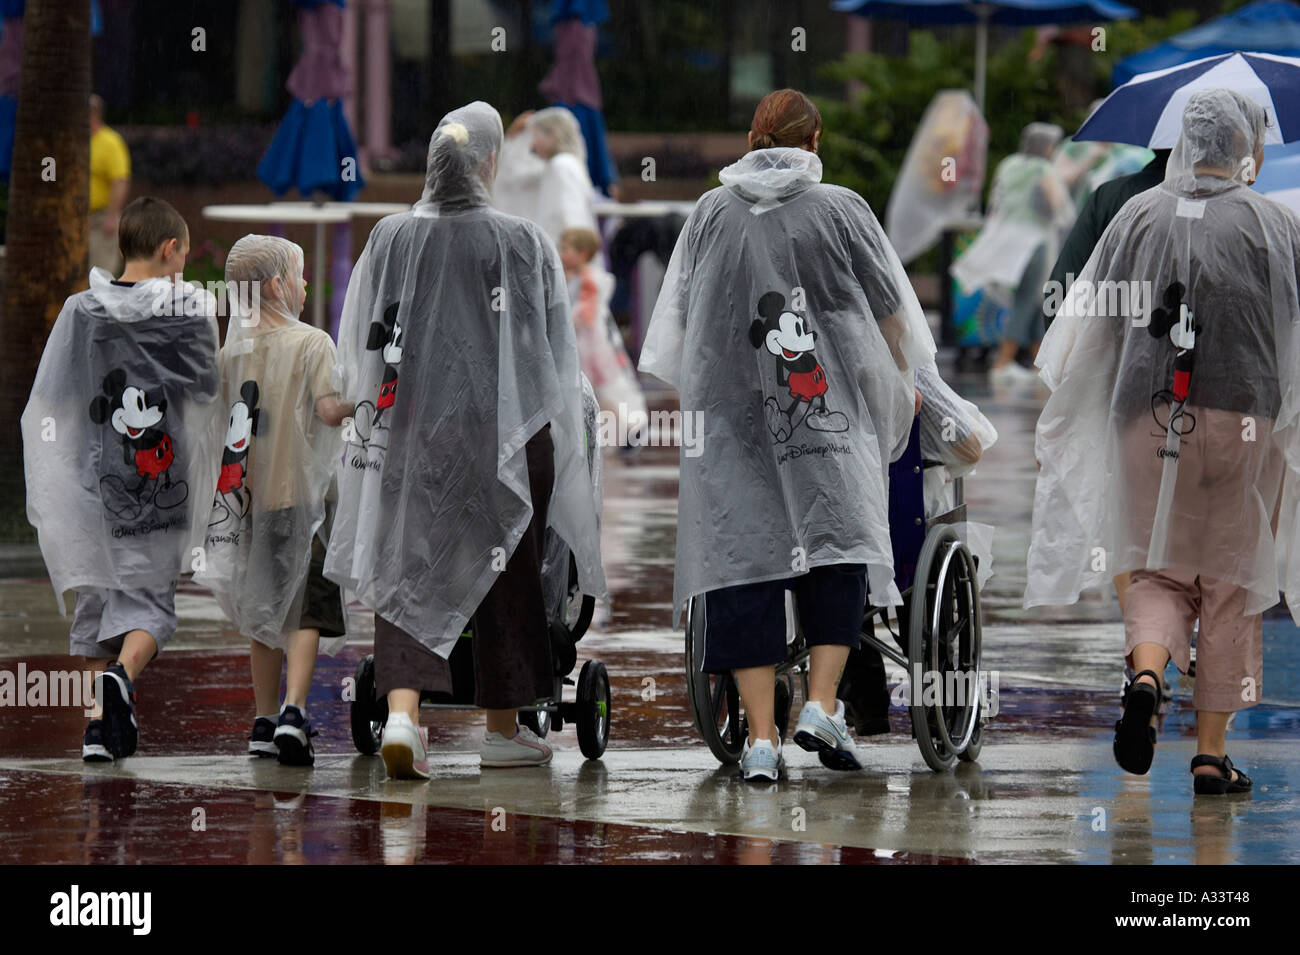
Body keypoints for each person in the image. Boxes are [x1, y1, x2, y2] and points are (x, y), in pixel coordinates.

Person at [639, 88, 934, 781]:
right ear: (816, 140)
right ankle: (823, 702)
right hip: (823, 413)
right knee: (838, 542)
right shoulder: (843, 211)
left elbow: (675, 329)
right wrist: (906, 379)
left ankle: (762, 739)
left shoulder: (710, 213)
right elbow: (895, 319)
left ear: (750, 138)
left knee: (741, 558)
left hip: (731, 420)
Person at [1026, 89, 1300, 795]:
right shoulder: (1275, 225)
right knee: (1232, 579)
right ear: (1243, 149)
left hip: (1145, 421)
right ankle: (1211, 755)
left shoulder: (1135, 216)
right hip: (1247, 426)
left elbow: (1087, 327)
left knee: (1155, 570)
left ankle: (1147, 676)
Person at [326, 102, 605, 780]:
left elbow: (368, 334)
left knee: (406, 565)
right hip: (502, 436)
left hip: (412, 434)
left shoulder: (390, 238)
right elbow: (549, 350)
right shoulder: (522, 240)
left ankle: (401, 713)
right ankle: (503, 728)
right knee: (506, 562)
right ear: (487, 162)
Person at [22, 196, 223, 761]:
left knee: (95, 608)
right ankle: (121, 678)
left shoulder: (80, 311)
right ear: (169, 249)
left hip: (90, 482)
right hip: (156, 485)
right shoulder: (189, 309)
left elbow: (54, 396)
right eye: (182, 253)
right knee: (150, 607)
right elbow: (207, 386)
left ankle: (95, 731)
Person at [196, 234, 352, 766]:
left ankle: (262, 721)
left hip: (247, 504)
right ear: (277, 284)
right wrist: (367, 400)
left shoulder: (230, 351)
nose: (307, 284)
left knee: (261, 610)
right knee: (304, 610)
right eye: (300, 275)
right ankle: (294, 710)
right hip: (302, 501)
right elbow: (330, 412)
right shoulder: (313, 344)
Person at [951, 122, 1073, 385]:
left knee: (1031, 301)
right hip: (1034, 242)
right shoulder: (1043, 169)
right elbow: (1057, 204)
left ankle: (1039, 362)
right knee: (1027, 300)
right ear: (1045, 146)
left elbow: (998, 201)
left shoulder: (1009, 164)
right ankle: (1003, 363)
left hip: (1008, 241)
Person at [559, 226, 647, 446]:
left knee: (598, 391)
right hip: (589, 344)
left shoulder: (589, 279)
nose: (561, 253)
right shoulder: (580, 277)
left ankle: (629, 427)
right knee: (597, 393)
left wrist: (563, 323)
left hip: (589, 347)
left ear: (582, 253)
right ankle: (625, 429)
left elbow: (585, 314)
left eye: (566, 249)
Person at [493, 106, 597, 247]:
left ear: (552, 134)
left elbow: (571, 215)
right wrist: (512, 138)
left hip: (567, 253)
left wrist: (571, 253)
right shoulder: (559, 165)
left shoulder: (561, 165)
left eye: (536, 136)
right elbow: (513, 179)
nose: (533, 144)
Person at [89, 94, 131, 276]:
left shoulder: (110, 142)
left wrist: (111, 216)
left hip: (101, 219)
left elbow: (120, 181)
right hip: (80, 220)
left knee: (101, 274)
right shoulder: (78, 141)